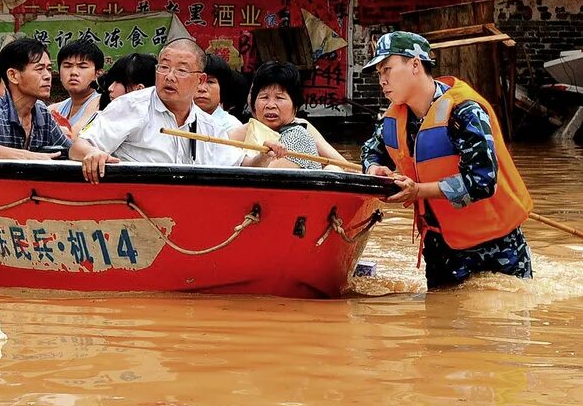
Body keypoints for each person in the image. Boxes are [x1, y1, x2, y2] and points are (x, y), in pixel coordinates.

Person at [360, 31, 533, 288]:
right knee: (440, 322)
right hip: (440, 247)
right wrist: (374, 169)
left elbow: (482, 181)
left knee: (503, 318)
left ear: (415, 64)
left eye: (387, 69)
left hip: (496, 248)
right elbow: (370, 151)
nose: (382, 81)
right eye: (379, 74)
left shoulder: (464, 111)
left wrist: (417, 191)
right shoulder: (395, 118)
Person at [70, 39, 267, 183]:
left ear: (200, 80)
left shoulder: (208, 125)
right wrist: (94, 154)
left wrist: (265, 155)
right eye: (164, 67)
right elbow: (78, 147)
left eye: (181, 71)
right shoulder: (131, 106)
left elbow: (243, 167)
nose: (169, 76)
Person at [0, 37, 71, 160]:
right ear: (13, 75)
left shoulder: (41, 111)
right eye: (39, 69)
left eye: (49, 69)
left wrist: (90, 152)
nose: (47, 76)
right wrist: (28, 156)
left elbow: (69, 149)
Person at [228, 61, 322, 170]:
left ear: (295, 105)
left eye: (279, 98)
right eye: (264, 97)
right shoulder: (246, 130)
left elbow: (262, 176)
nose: (270, 105)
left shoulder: (298, 136)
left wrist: (263, 157)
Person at [49, 40, 103, 139]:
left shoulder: (100, 103)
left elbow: (73, 137)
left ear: (97, 74)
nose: (74, 72)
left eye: (82, 67)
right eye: (67, 66)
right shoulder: (54, 109)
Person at [195, 54, 242, 133]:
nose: (202, 89)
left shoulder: (232, 127)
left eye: (210, 82)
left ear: (222, 87)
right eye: (199, 81)